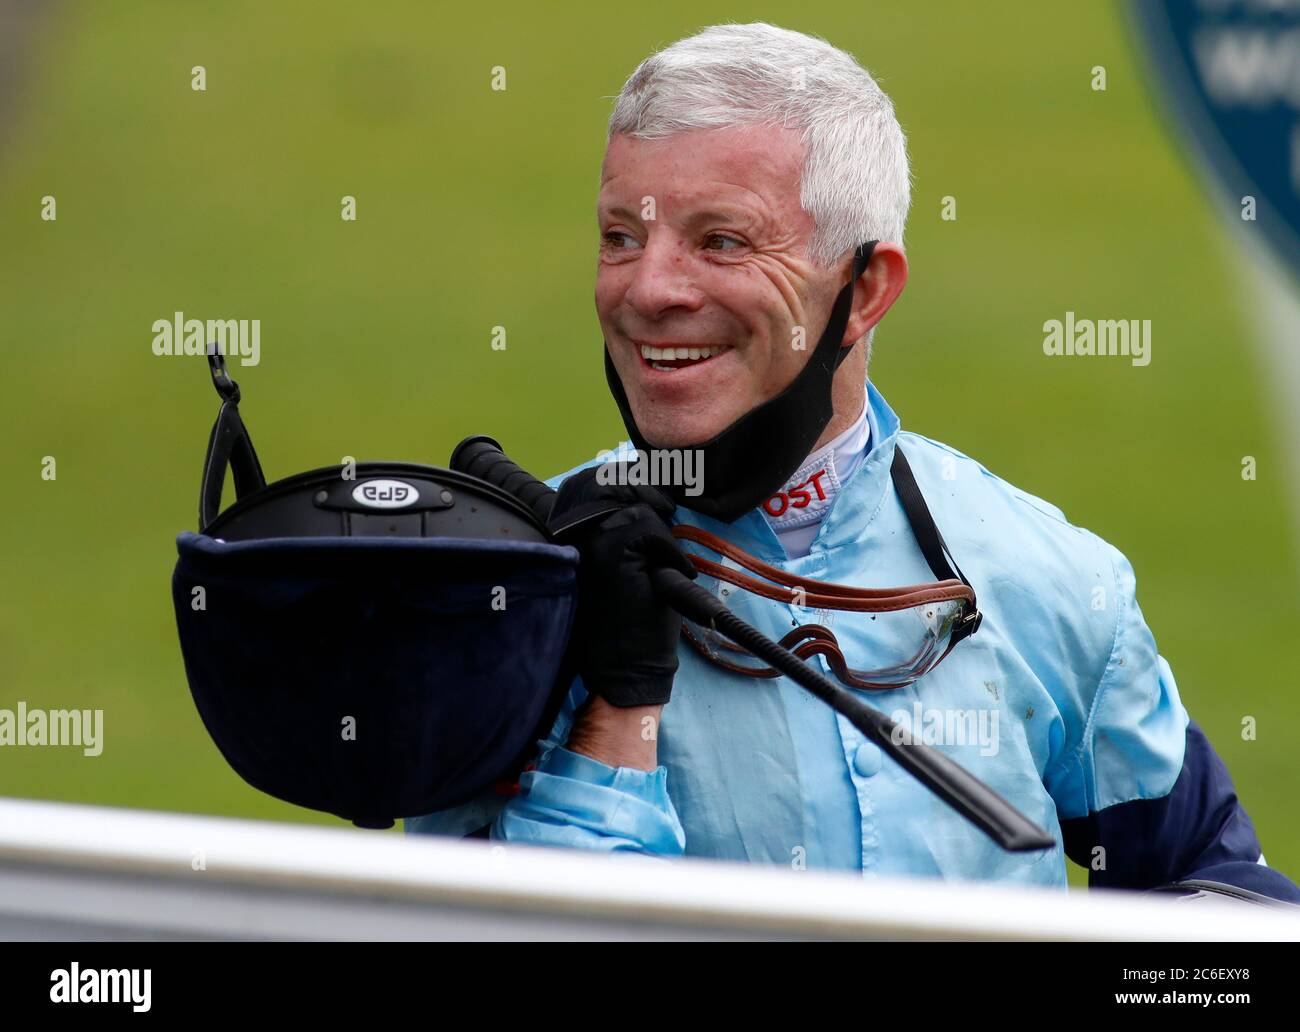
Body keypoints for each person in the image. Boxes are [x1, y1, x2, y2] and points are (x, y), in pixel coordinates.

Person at [409, 22, 1297, 901]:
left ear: (864, 289)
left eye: (721, 241)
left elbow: (1222, 901)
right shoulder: (511, 598)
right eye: (620, 237)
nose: (648, 289)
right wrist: (617, 707)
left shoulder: (1053, 578)